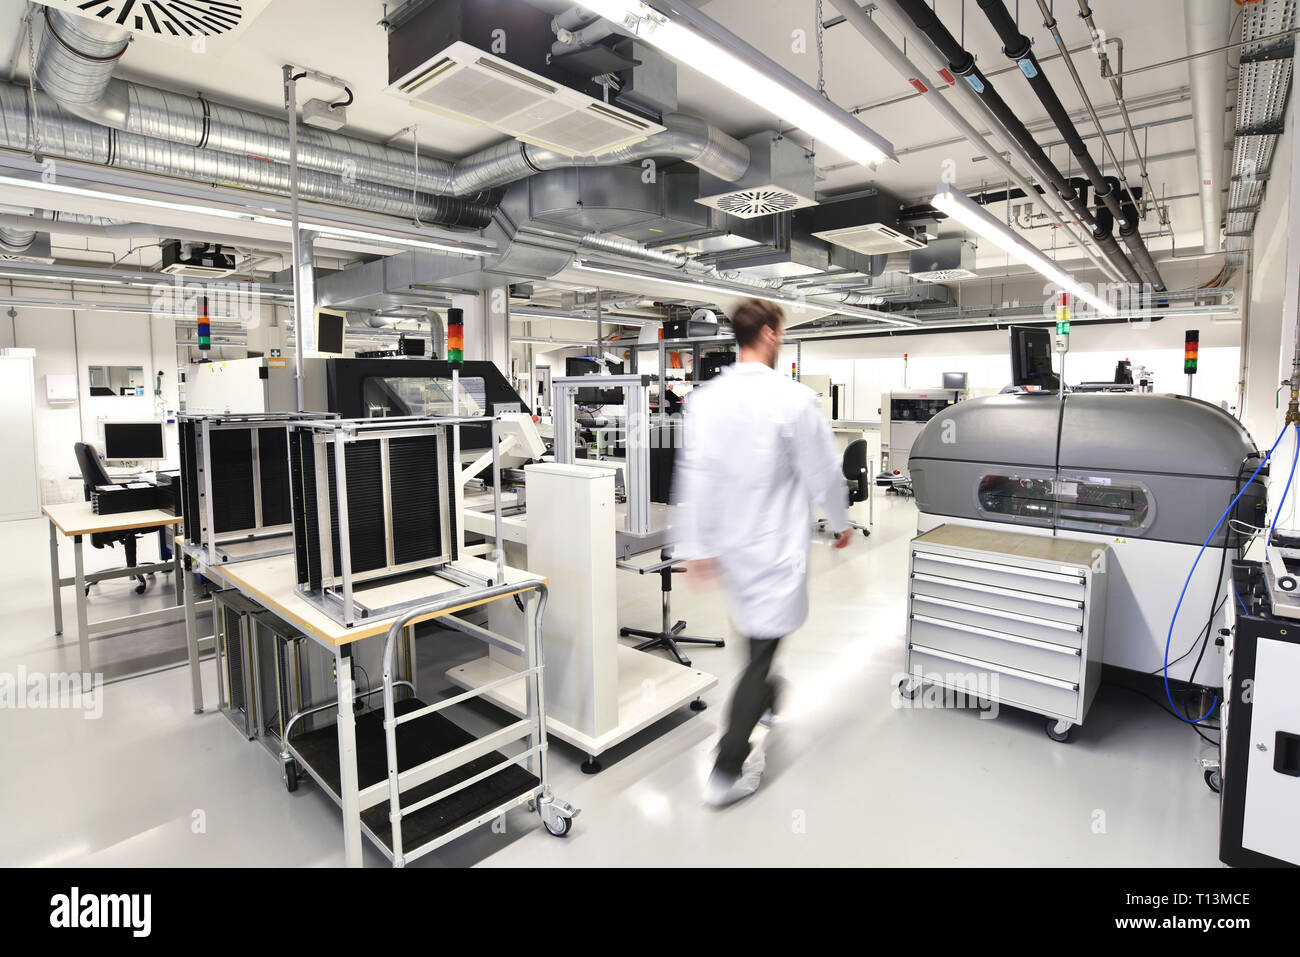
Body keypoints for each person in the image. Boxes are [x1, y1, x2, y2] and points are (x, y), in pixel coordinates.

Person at [672, 299, 853, 808]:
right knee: (761, 648)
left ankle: (769, 700)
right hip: (775, 548)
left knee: (757, 635)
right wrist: (841, 523)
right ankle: (727, 767)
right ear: (771, 335)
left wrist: (696, 545)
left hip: (733, 546)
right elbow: (823, 473)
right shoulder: (794, 400)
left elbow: (695, 475)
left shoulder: (707, 398)